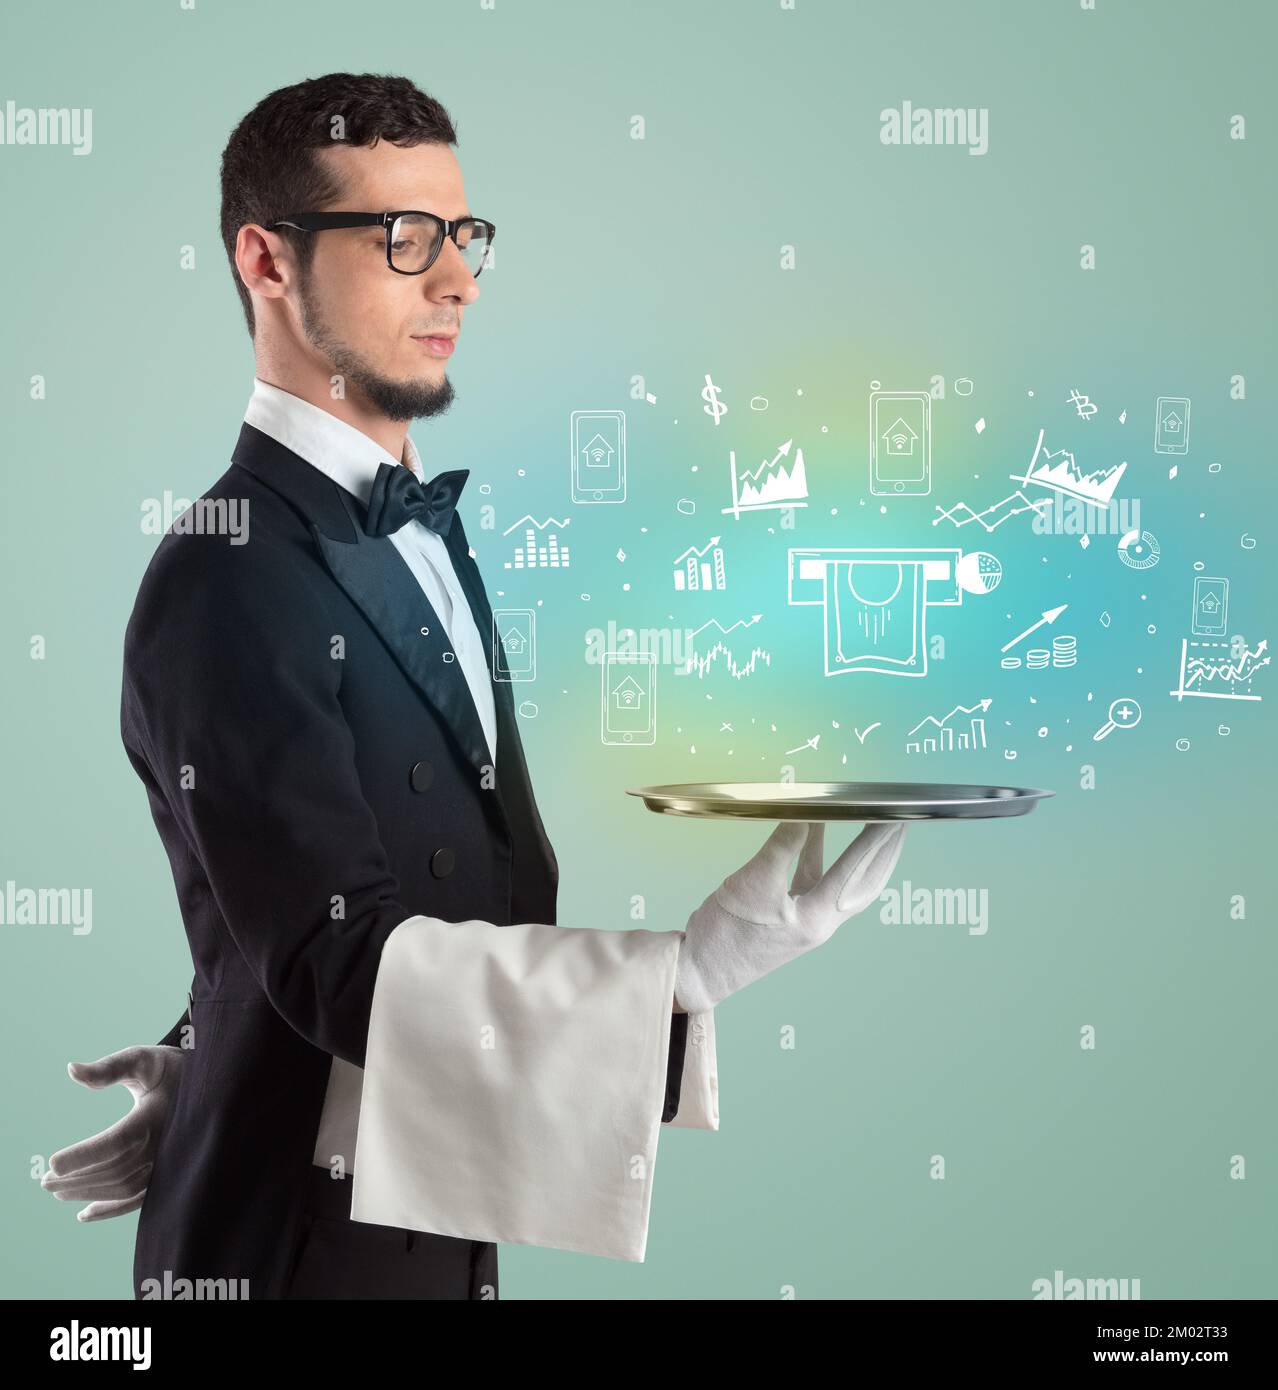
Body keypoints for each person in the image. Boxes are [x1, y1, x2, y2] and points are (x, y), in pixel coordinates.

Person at [40, 72, 907, 1300]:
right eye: (403, 237)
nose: (458, 280)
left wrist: (215, 1050)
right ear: (267, 261)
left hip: (423, 1208)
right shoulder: (226, 571)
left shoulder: (421, 531)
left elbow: (303, 893)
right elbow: (339, 959)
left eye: (463, 235)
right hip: (297, 1258)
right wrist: (683, 974)